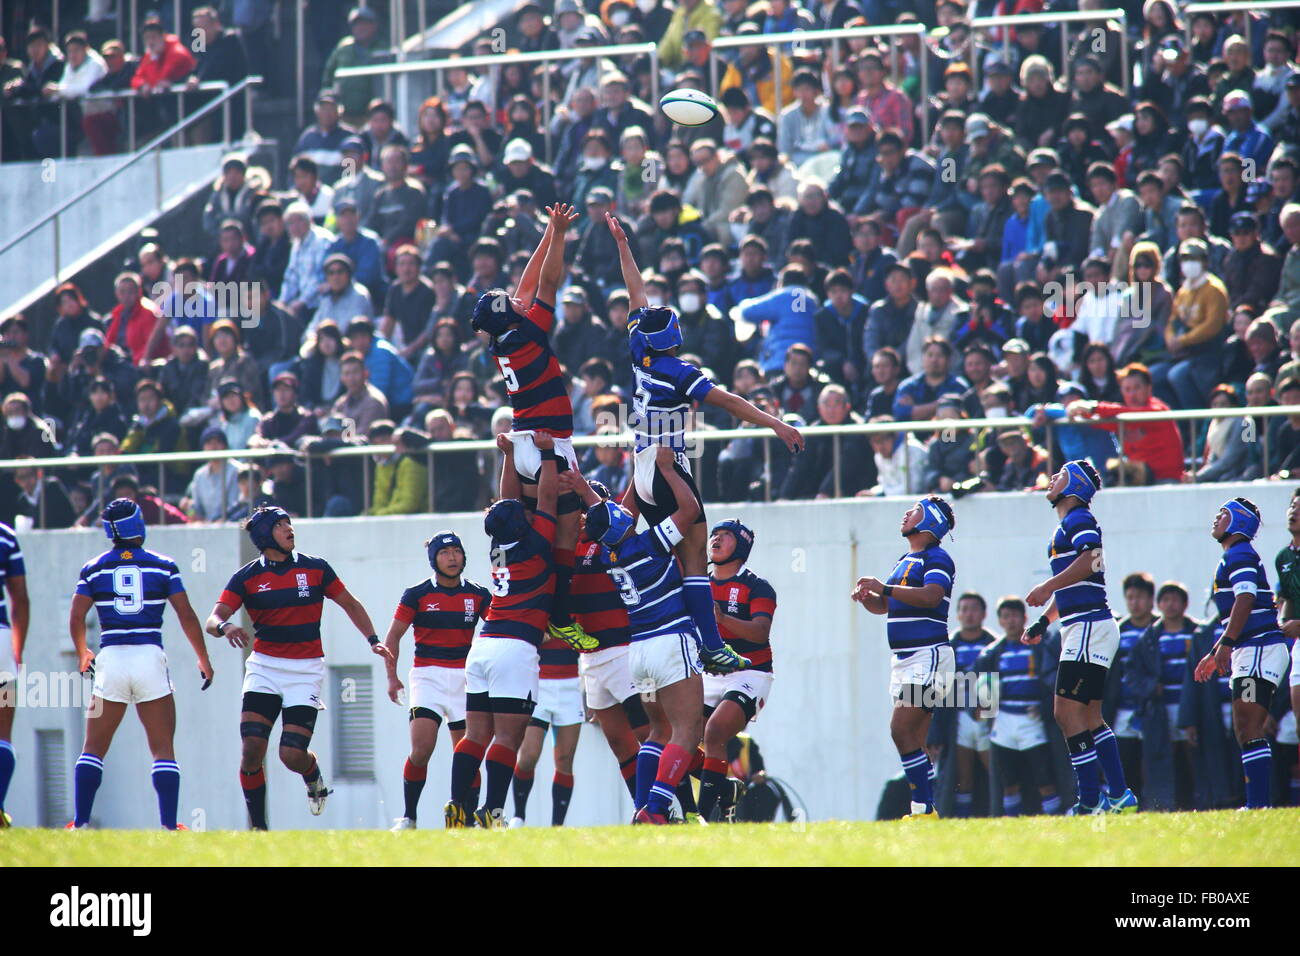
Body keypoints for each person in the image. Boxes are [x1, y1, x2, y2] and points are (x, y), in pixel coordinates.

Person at [565, 449, 745, 825]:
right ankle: (658, 809)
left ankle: (644, 807)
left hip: (639, 653)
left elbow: (612, 516)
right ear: (620, 525)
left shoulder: (607, 555)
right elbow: (690, 510)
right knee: (686, 730)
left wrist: (620, 477)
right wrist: (665, 469)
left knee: (657, 732)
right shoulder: (648, 544)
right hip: (669, 641)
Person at [204, 506, 391, 829]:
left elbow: (350, 603)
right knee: (251, 749)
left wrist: (373, 639)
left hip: (306, 670)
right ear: (264, 536)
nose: (290, 528)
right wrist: (226, 627)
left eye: (289, 522)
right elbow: (213, 619)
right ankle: (259, 830)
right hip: (264, 668)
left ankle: (312, 775)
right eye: (280, 525)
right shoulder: (247, 576)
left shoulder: (315, 568)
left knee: (291, 755)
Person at [472, 203, 592, 653]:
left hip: (524, 440)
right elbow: (547, 283)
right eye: (511, 303)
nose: (517, 297)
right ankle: (559, 616)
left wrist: (550, 230)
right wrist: (558, 238)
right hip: (547, 442)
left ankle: (530, 608)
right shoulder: (529, 332)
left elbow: (527, 284)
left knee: (528, 528)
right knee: (563, 534)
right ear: (511, 314)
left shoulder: (506, 336)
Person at [66, 500, 212, 830]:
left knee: (92, 749)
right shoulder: (163, 565)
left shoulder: (94, 568)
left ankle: (81, 823)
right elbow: (186, 615)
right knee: (163, 750)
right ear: (138, 526)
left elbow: (76, 616)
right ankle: (168, 826)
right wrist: (203, 658)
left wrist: (81, 652)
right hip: (149, 657)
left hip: (112, 658)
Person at [445, 435, 560, 829]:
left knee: (475, 735)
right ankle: (493, 810)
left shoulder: (499, 541)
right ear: (522, 523)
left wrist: (509, 456)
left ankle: (457, 805)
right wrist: (546, 453)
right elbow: (546, 498)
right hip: (514, 647)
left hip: (484, 643)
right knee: (507, 739)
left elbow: (507, 502)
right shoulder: (536, 543)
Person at [1022, 460, 1138, 814]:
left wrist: (1046, 585)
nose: (1052, 478)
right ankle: (1119, 795)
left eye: (1060, 474)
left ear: (1074, 485)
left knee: (1065, 713)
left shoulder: (1079, 519)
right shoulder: (1069, 524)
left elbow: (1092, 561)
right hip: (1086, 625)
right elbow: (1078, 579)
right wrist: (1044, 621)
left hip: (1089, 626)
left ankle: (1090, 800)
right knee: (1088, 717)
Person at [852, 494, 958, 821]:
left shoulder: (937, 557)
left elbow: (931, 596)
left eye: (913, 511)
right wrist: (869, 598)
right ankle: (925, 809)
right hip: (904, 660)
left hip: (928, 657)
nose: (906, 514)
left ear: (929, 520)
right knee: (914, 737)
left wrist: (883, 589)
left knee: (900, 729)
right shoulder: (906, 558)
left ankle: (923, 808)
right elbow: (887, 605)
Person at [384, 532, 490, 831]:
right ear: (434, 559)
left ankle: (467, 821)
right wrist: (392, 678)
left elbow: (497, 629)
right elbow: (393, 637)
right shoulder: (416, 594)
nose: (453, 557)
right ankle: (409, 817)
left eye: (457, 551)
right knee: (421, 750)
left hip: (465, 680)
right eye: (445, 553)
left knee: (467, 754)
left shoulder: (479, 594)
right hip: (426, 676)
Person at [1194, 499, 1290, 809]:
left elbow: (1246, 597)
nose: (1216, 519)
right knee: (1244, 726)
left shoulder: (1240, 553)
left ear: (1238, 522)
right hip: (1251, 649)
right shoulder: (1235, 555)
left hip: (1258, 648)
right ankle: (1257, 803)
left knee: (1248, 724)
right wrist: (1217, 651)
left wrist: (1226, 644)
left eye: (1222, 514)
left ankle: (1259, 804)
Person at [566, 476, 651, 803]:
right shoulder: (568, 545)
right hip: (590, 658)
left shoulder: (612, 539)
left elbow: (630, 506)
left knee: (648, 734)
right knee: (620, 743)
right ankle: (644, 808)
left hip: (622, 650)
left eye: (590, 506)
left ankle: (689, 801)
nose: (584, 514)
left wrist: (640, 465)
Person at [697, 519, 777, 822]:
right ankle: (726, 790)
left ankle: (701, 816)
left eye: (725, 535)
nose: (715, 539)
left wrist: (720, 617)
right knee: (681, 737)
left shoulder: (758, 586)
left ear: (741, 547)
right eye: (714, 535)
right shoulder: (698, 582)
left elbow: (759, 632)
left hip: (750, 673)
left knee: (714, 732)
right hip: (708, 674)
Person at [976, 597, 1062, 816]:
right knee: (1008, 782)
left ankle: (1055, 819)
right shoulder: (992, 653)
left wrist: (1043, 708)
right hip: (1004, 721)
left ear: (1024, 618)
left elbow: (1053, 681)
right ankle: (1010, 822)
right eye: (1005, 616)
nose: (1011, 621)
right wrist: (983, 711)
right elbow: (984, 692)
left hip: (1032, 720)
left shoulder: (1040, 646)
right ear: (1000, 621)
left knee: (1045, 778)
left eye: (1015, 615)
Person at [0, 521, 27, 827]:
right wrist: (17, 648)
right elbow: (20, 598)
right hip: (1, 636)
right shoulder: (5, 535)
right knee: (3, 733)